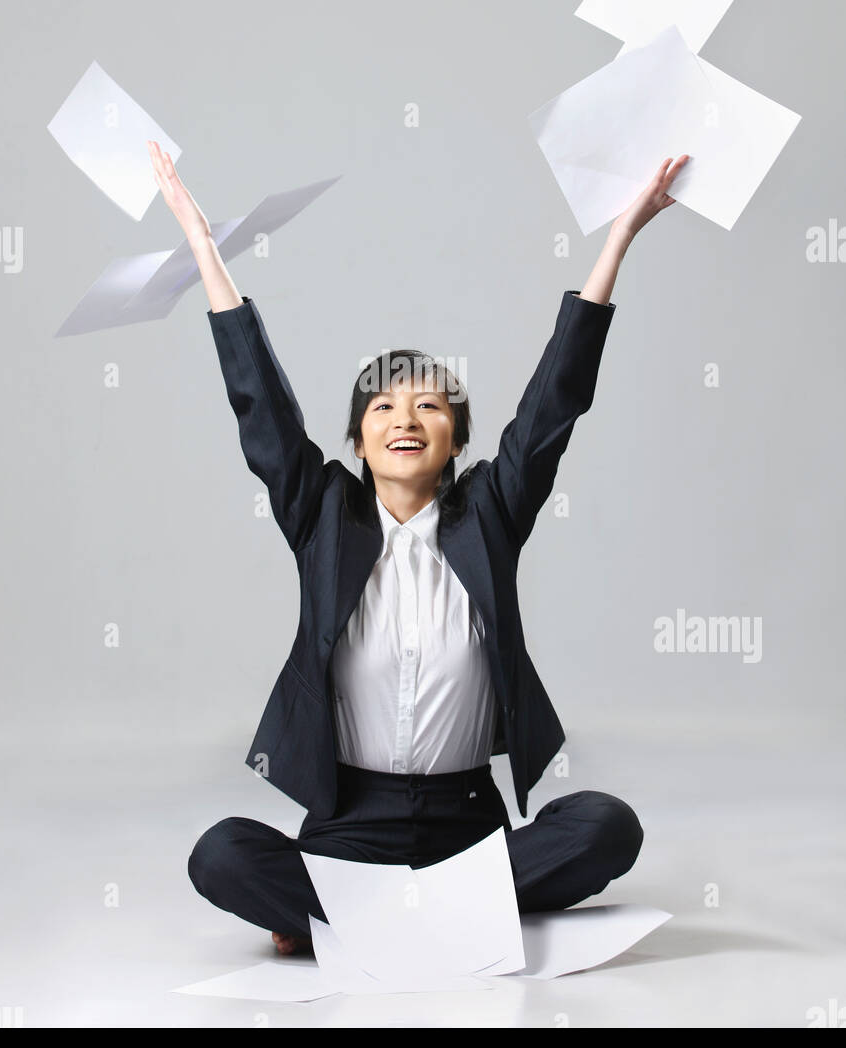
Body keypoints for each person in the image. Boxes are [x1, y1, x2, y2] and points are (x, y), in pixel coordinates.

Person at [149, 140, 689, 956]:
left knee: (605, 827)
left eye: (430, 406)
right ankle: (444, 922)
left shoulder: (490, 514)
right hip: (346, 824)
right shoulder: (322, 511)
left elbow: (553, 405)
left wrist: (616, 243)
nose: (406, 419)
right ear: (359, 441)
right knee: (222, 853)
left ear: (457, 440)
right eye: (383, 408)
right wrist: (204, 253)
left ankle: (369, 924)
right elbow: (259, 405)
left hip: (466, 824)